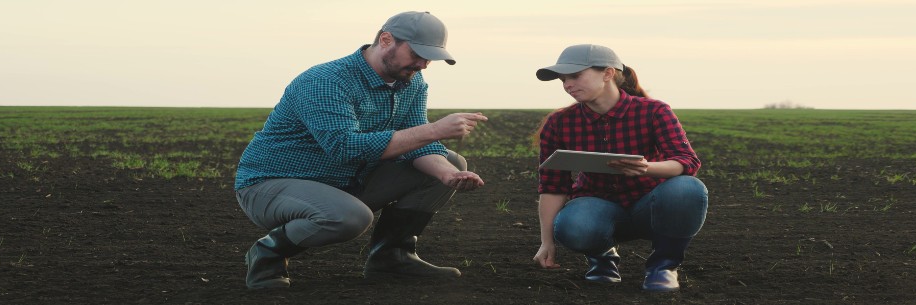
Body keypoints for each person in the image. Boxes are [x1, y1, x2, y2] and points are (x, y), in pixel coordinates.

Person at [233, 11, 488, 289]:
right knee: (351, 217)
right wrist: (435, 130)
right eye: (417, 53)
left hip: (345, 181)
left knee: (450, 162)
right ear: (386, 40)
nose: (423, 64)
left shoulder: (412, 83)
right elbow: (344, 147)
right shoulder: (326, 80)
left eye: (429, 58)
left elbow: (418, 144)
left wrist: (448, 177)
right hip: (272, 185)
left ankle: (391, 258)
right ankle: (268, 252)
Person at [531, 44, 708, 292]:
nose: (567, 85)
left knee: (688, 189)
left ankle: (663, 267)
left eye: (575, 76)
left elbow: (686, 161)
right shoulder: (560, 123)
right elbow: (552, 186)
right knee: (575, 224)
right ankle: (602, 258)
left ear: (607, 73)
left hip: (651, 206)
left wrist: (647, 168)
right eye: (563, 80)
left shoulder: (654, 111)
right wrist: (546, 242)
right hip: (597, 207)